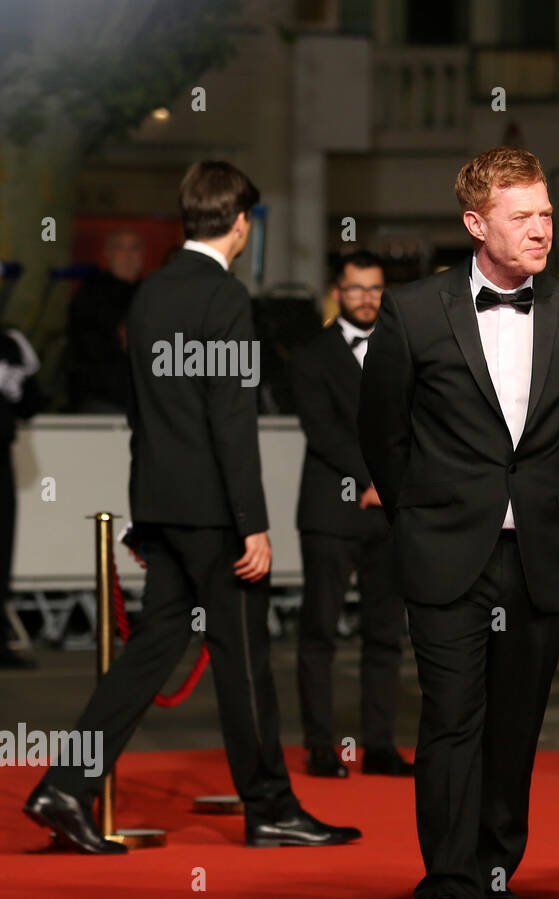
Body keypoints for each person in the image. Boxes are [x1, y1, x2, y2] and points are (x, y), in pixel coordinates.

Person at [23, 161, 361, 854]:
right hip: (215, 514)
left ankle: (66, 784)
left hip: (164, 506)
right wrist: (254, 523)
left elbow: (145, 415)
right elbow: (229, 420)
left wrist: (144, 513)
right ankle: (269, 807)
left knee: (149, 653)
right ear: (240, 225)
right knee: (243, 659)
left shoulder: (146, 297)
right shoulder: (226, 299)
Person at [358, 146, 559, 899]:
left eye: (545, 214)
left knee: (513, 731)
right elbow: (383, 436)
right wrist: (425, 513)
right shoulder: (413, 311)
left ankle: (496, 891)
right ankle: (448, 889)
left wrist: (533, 503)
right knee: (451, 722)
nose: (542, 230)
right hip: (443, 555)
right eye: (522, 218)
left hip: (535, 554)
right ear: (476, 224)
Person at [291, 251, 412, 778]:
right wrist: (368, 481)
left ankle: (380, 746)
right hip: (331, 511)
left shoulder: (404, 350)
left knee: (385, 633)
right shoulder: (311, 354)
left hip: (390, 514)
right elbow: (323, 430)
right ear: (337, 292)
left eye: (375, 288)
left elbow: (417, 422)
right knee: (320, 631)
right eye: (356, 288)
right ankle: (320, 746)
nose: (367, 298)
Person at [0, 327, 44, 669]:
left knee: (2, 550)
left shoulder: (10, 343)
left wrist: (17, 387)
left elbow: (33, 404)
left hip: (1, 456)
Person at [64, 229, 144, 413]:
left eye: (134, 248)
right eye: (121, 248)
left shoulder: (151, 293)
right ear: (108, 254)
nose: (128, 255)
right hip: (103, 396)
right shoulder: (91, 295)